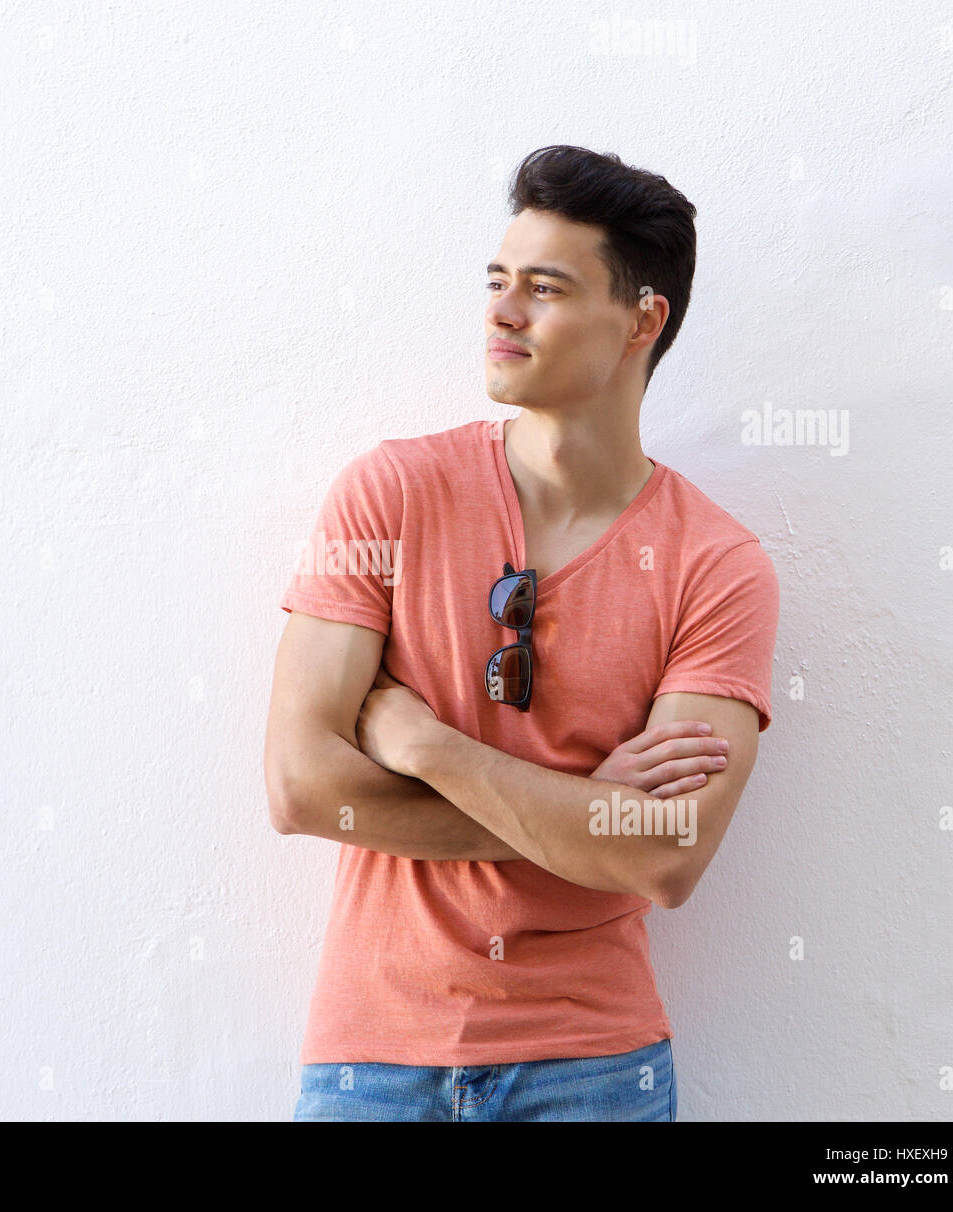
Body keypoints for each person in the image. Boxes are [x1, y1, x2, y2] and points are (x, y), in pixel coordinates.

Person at [264, 145, 780, 1122]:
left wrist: (427, 748)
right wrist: (587, 814)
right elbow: (300, 789)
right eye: (497, 281)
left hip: (594, 1071)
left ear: (642, 319)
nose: (501, 312)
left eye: (544, 288)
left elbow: (667, 858)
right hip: (374, 1060)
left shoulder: (716, 564)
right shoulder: (388, 494)